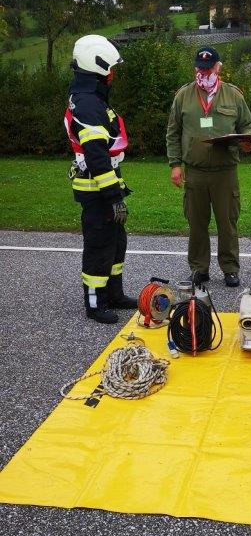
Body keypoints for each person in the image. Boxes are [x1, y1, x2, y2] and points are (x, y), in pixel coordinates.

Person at [166, 46, 251, 287]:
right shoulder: (183, 96)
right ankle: (199, 268)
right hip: (195, 172)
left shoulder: (233, 95)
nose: (204, 72)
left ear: (218, 67)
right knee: (196, 224)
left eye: (208, 67)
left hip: (225, 173)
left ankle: (230, 268)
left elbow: (247, 125)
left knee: (227, 223)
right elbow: (173, 133)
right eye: (200, 67)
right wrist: (175, 164)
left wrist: (248, 140)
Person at [64, 34, 136, 324]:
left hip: (105, 186)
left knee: (116, 242)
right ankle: (95, 303)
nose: (113, 75)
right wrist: (114, 197)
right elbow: (96, 157)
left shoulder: (90, 98)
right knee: (99, 246)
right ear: (98, 68)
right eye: (110, 69)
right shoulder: (88, 105)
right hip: (97, 191)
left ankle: (114, 294)